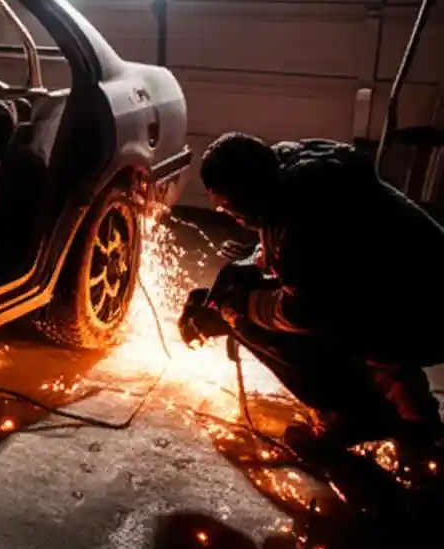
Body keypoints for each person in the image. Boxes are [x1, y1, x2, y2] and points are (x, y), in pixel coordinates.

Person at [178, 132, 444, 460]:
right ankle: (414, 414)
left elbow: (305, 310)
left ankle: (357, 414)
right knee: (366, 303)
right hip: (420, 294)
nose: (232, 218)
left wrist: (239, 308)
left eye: (230, 209)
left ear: (248, 196)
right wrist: (245, 266)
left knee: (257, 323)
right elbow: (298, 253)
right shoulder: (296, 169)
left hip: (422, 319)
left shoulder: (298, 220)